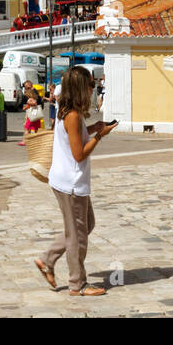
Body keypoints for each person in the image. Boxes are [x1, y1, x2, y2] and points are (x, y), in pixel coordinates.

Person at [35, 66, 116, 296]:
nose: (93, 89)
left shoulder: (67, 111)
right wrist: (100, 136)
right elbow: (79, 153)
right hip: (71, 182)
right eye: (90, 85)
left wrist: (93, 128)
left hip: (66, 181)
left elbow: (72, 136)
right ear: (80, 88)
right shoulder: (71, 115)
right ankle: (77, 284)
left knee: (85, 225)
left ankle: (47, 260)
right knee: (77, 235)